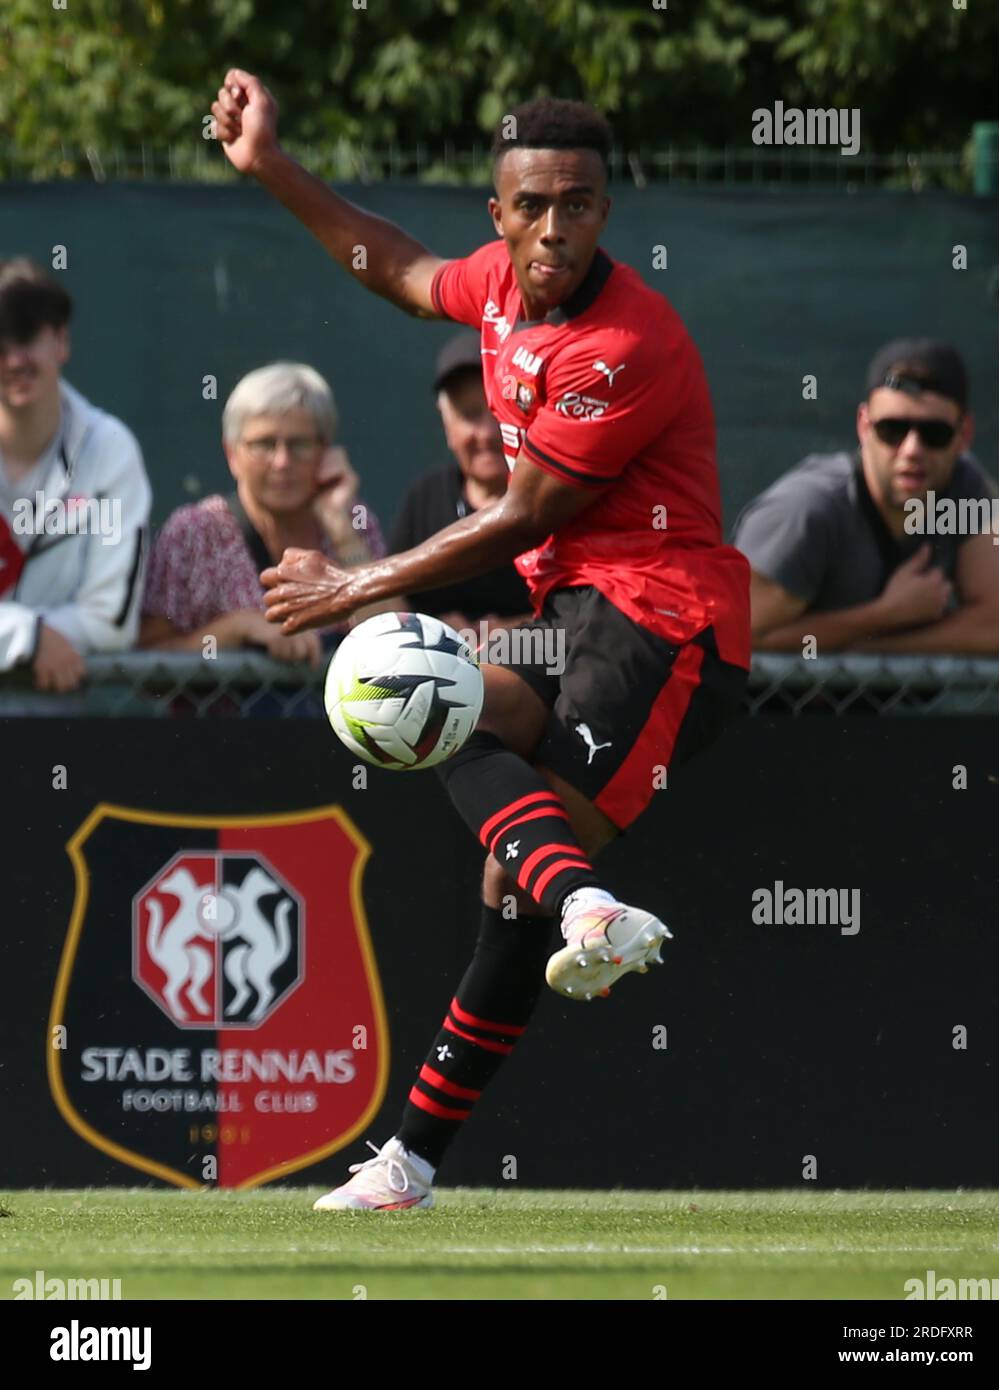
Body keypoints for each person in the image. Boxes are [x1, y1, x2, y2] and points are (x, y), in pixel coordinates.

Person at [213, 72, 751, 1210]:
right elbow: (400, 269)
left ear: (606, 209)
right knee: (441, 717)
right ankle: (572, 924)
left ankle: (413, 1152)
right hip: (579, 617)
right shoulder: (502, 286)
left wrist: (352, 583)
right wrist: (269, 165)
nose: (557, 226)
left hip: (669, 629)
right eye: (534, 204)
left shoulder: (626, 341)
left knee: (510, 881)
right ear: (498, 212)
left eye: (581, 203)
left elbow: (525, 514)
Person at [734, 340, 999, 654]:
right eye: (893, 430)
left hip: (883, 703)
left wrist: (875, 653)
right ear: (864, 426)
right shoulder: (806, 511)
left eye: (934, 433)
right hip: (781, 703)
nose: (912, 450)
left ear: (964, 434)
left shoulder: (965, 487)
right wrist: (884, 616)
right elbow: (739, 636)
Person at [140, 362, 390, 662]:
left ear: (326, 451)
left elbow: (393, 641)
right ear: (232, 454)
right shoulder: (194, 531)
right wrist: (238, 629)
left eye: (300, 444)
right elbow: (149, 660)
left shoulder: (354, 520)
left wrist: (341, 530)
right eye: (264, 444)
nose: (282, 462)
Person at [0, 258, 151, 690]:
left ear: (62, 341)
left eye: (27, 337)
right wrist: (26, 637)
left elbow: (112, 622)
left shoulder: (109, 448)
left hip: (52, 714)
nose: (14, 360)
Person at [389, 330, 532, 637]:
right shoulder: (426, 497)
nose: (487, 433)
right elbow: (382, 614)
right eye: (469, 415)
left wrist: (517, 634)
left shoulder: (557, 502)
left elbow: (590, 617)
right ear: (446, 423)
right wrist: (432, 632)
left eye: (500, 413)